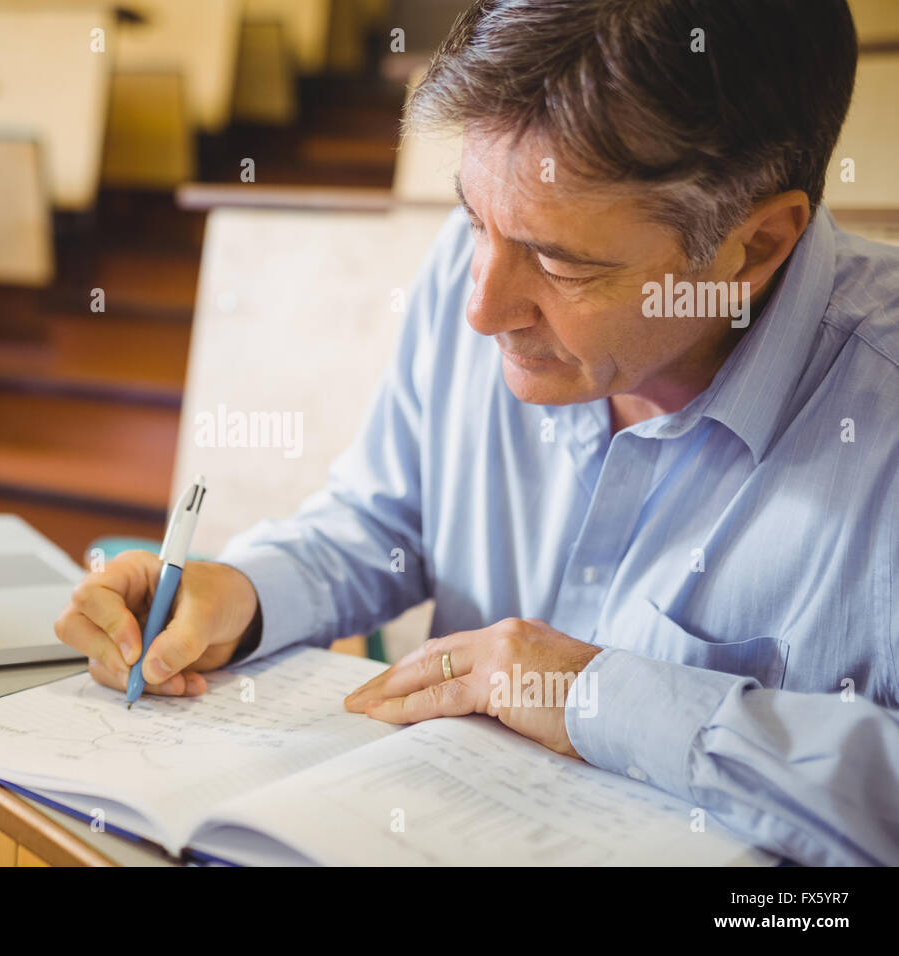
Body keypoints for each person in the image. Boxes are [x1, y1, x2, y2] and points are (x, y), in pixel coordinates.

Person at [55, 0, 899, 865]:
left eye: (563, 262)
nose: (481, 309)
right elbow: (383, 525)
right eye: (471, 219)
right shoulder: (488, 264)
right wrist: (241, 592)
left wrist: (596, 696)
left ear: (752, 247)